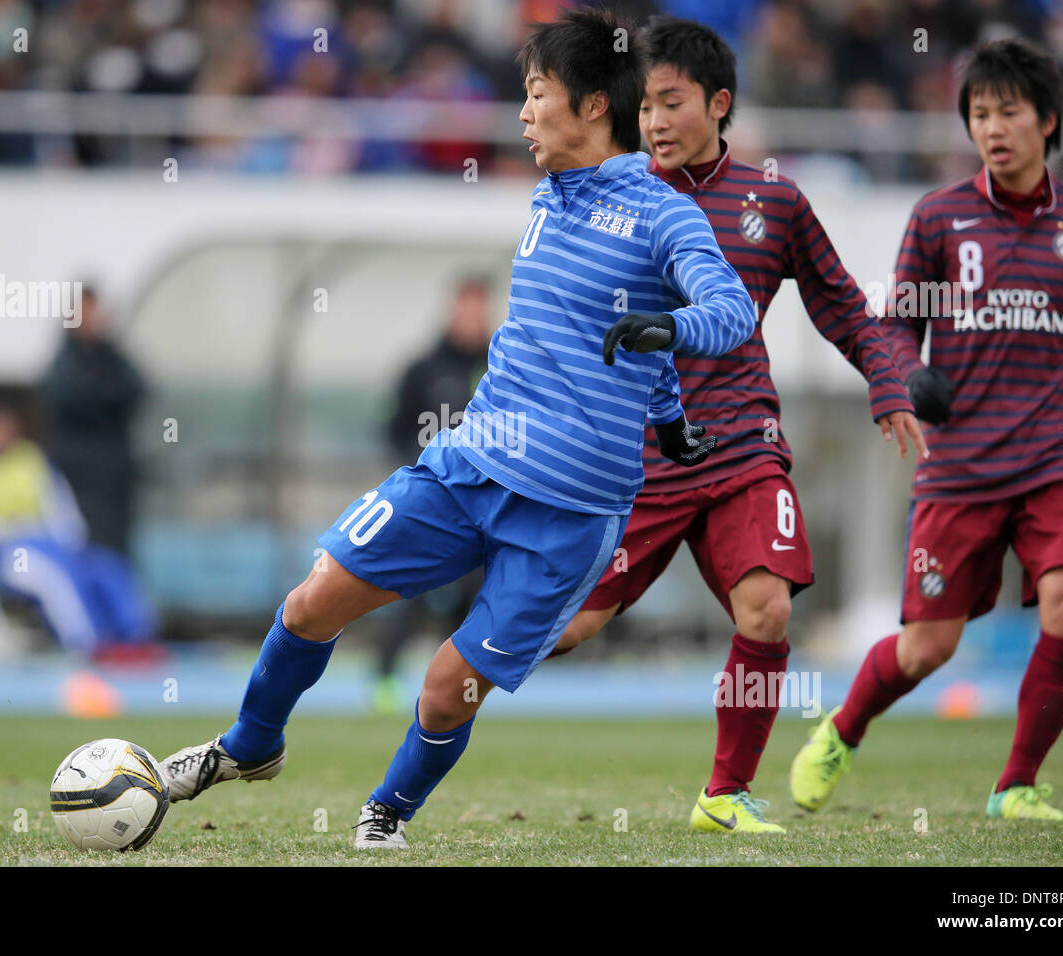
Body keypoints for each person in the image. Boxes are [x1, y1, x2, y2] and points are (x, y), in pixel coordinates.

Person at [157, 7, 755, 850]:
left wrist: (675, 342)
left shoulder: (666, 216)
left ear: (590, 106)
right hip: (468, 465)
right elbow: (618, 332)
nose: (521, 112)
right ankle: (251, 746)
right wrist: (670, 415)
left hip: (572, 513)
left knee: (444, 689)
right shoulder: (550, 196)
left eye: (536, 93)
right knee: (311, 599)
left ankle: (385, 815)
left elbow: (725, 311)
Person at [545, 17, 926, 834]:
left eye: (670, 102)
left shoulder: (775, 201)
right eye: (642, 104)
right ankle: (435, 702)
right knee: (565, 627)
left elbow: (848, 313)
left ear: (718, 104)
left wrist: (889, 387)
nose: (652, 121)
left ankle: (723, 797)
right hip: (632, 458)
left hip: (741, 444)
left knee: (767, 610)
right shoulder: (605, 196)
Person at [790, 37, 1063, 822]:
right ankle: (842, 728)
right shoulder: (939, 217)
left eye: (1007, 112)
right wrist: (910, 377)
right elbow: (895, 327)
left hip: (1058, 452)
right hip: (961, 460)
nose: (992, 128)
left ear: (1047, 120)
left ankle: (1017, 783)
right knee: (927, 649)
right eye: (979, 114)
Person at [0, 398, 160, 660]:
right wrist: (17, 533)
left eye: (5, 426)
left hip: (47, 544)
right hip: (1, 557)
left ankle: (137, 639)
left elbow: (64, 515)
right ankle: (88, 647)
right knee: (50, 576)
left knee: (108, 566)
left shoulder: (32, 459)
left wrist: (61, 542)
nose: (0, 433)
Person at [372, 276, 493, 712]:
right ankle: (384, 681)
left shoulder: (503, 365)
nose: (474, 317)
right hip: (431, 499)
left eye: (481, 308)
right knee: (412, 588)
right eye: (467, 307)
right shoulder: (423, 369)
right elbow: (393, 430)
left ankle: (454, 686)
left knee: (475, 595)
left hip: (486, 505)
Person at [38, 284, 146, 556]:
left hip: (114, 486)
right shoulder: (63, 365)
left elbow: (136, 389)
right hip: (79, 484)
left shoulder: (112, 358)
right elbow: (74, 400)